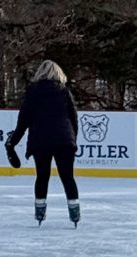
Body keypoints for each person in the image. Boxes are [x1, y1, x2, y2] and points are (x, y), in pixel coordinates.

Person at [6, 59, 81, 227]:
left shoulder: (33, 92)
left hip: (40, 140)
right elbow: (73, 118)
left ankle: (40, 213)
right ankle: (75, 214)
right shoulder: (64, 91)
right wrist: (73, 140)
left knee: (42, 177)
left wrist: (13, 142)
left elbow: (23, 121)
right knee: (68, 177)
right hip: (64, 140)